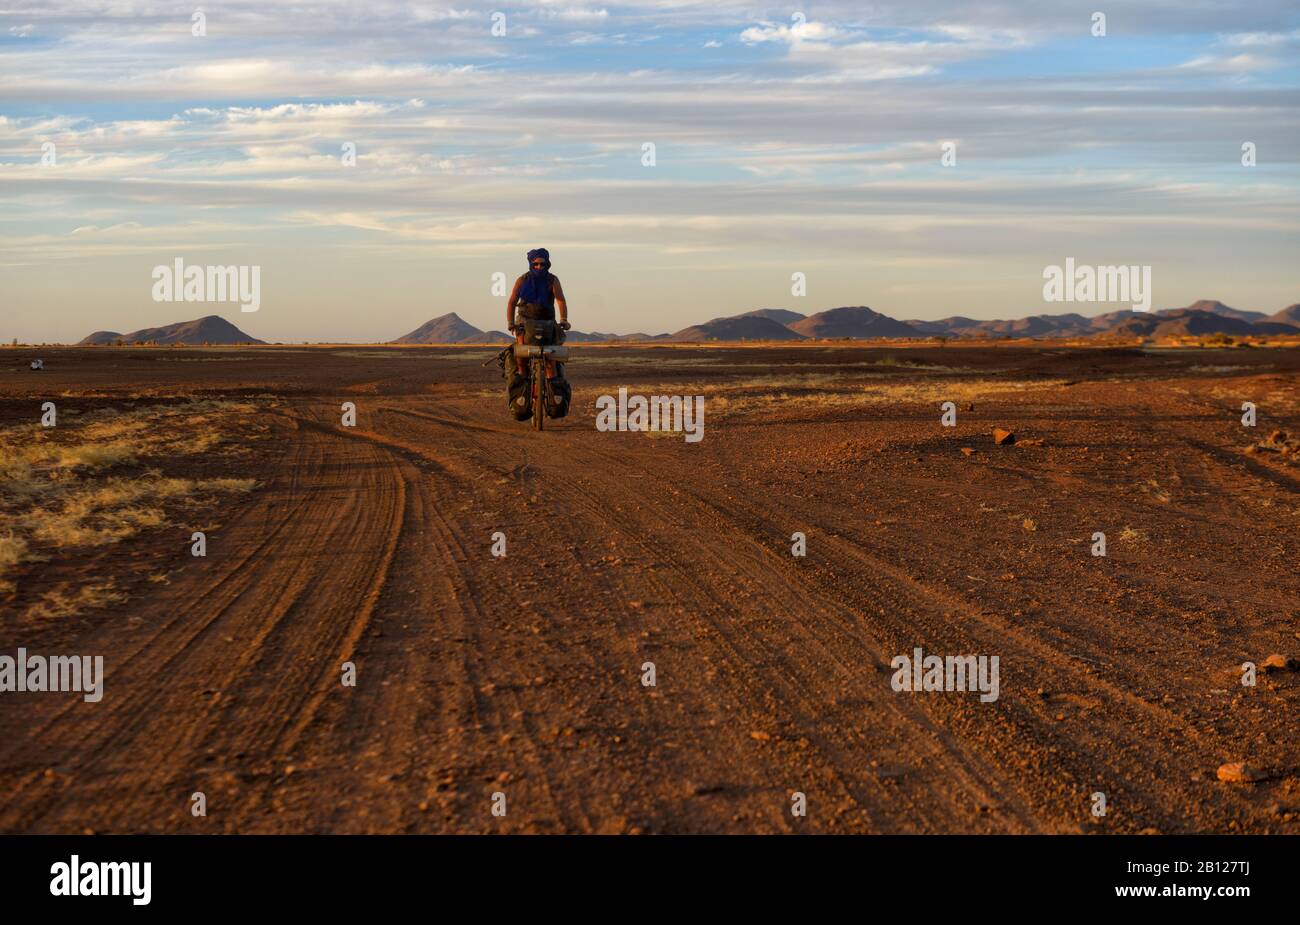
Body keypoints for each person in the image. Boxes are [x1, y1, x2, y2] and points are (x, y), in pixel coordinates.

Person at [505, 248, 571, 418]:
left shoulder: (552, 280)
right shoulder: (522, 280)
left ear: (547, 264)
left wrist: (563, 319)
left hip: (547, 321)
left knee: (551, 355)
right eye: (536, 264)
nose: (539, 267)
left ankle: (553, 387)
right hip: (524, 321)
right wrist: (511, 322)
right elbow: (512, 302)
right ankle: (522, 375)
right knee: (520, 348)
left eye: (542, 264)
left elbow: (560, 300)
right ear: (531, 263)